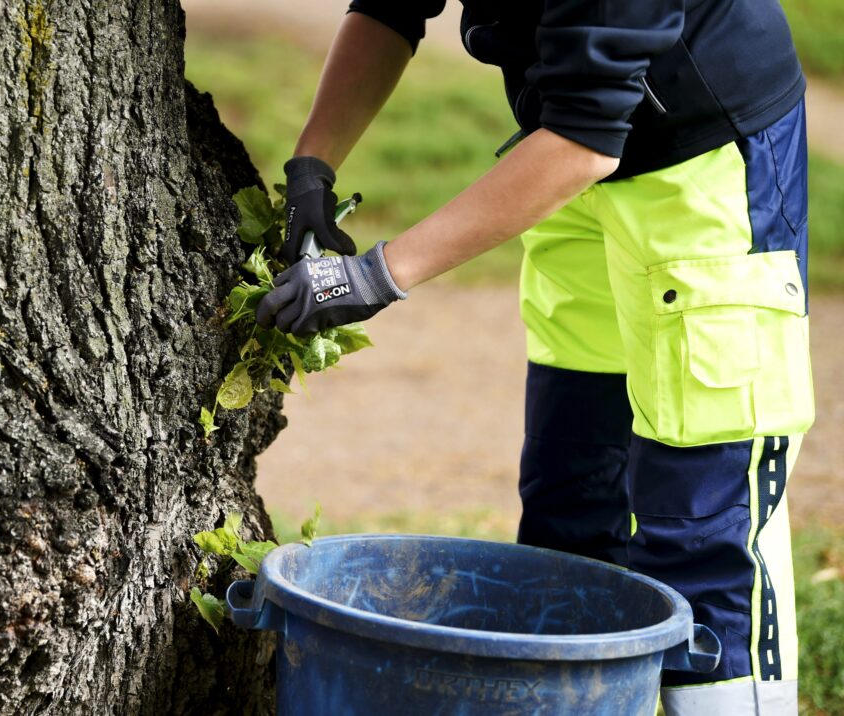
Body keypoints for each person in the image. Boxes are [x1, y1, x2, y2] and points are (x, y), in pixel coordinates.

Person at [256, 1, 814, 713]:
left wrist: (375, 275)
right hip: (568, 173)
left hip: (700, 170)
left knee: (701, 528)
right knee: (571, 502)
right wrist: (313, 163)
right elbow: (393, 4)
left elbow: (586, 138)